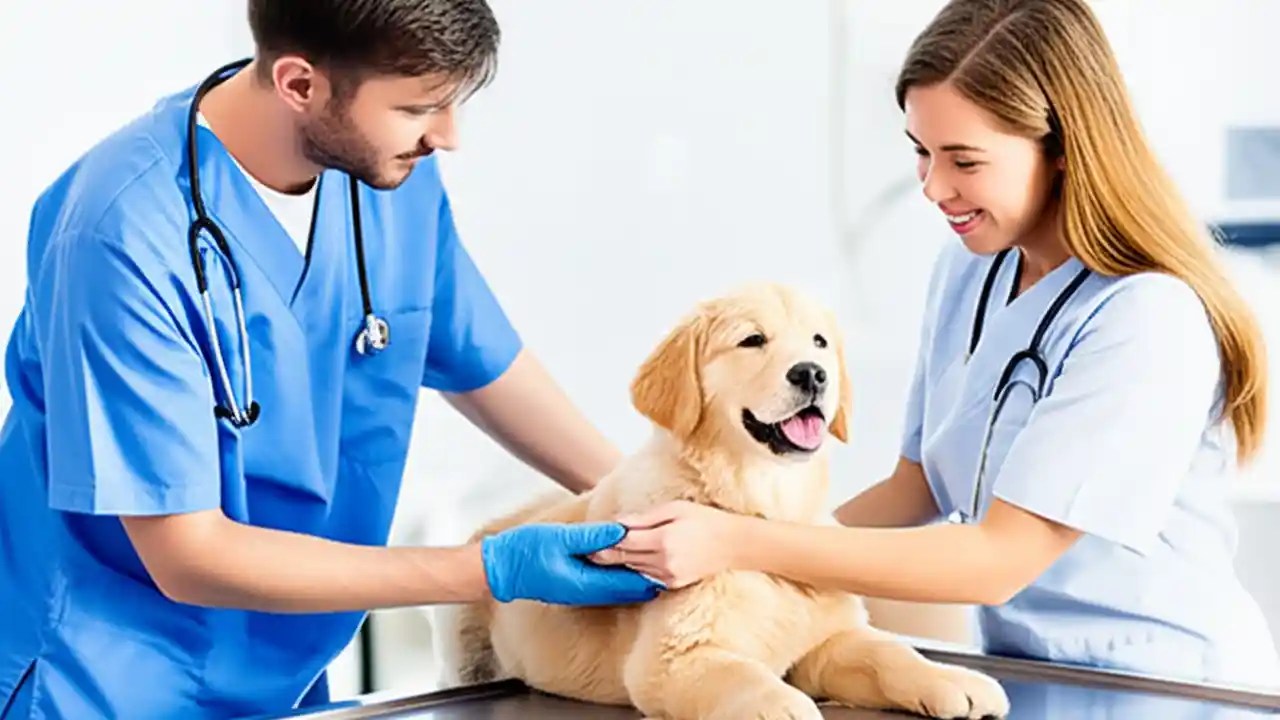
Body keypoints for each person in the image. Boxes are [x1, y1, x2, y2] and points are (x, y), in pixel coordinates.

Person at [0, 1, 664, 717]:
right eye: (419, 108)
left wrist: (645, 501)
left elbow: (479, 358)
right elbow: (187, 554)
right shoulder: (118, 234)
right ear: (298, 84)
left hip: (282, 666)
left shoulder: (386, 173)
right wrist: (489, 570)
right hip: (105, 676)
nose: (447, 137)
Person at [597, 0, 1280, 690]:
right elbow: (915, 486)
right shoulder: (969, 269)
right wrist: (724, 547)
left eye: (964, 161)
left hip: (1168, 685)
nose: (933, 187)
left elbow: (997, 562)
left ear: (1066, 148)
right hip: (1024, 672)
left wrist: (738, 544)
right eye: (921, 151)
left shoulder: (1145, 319)